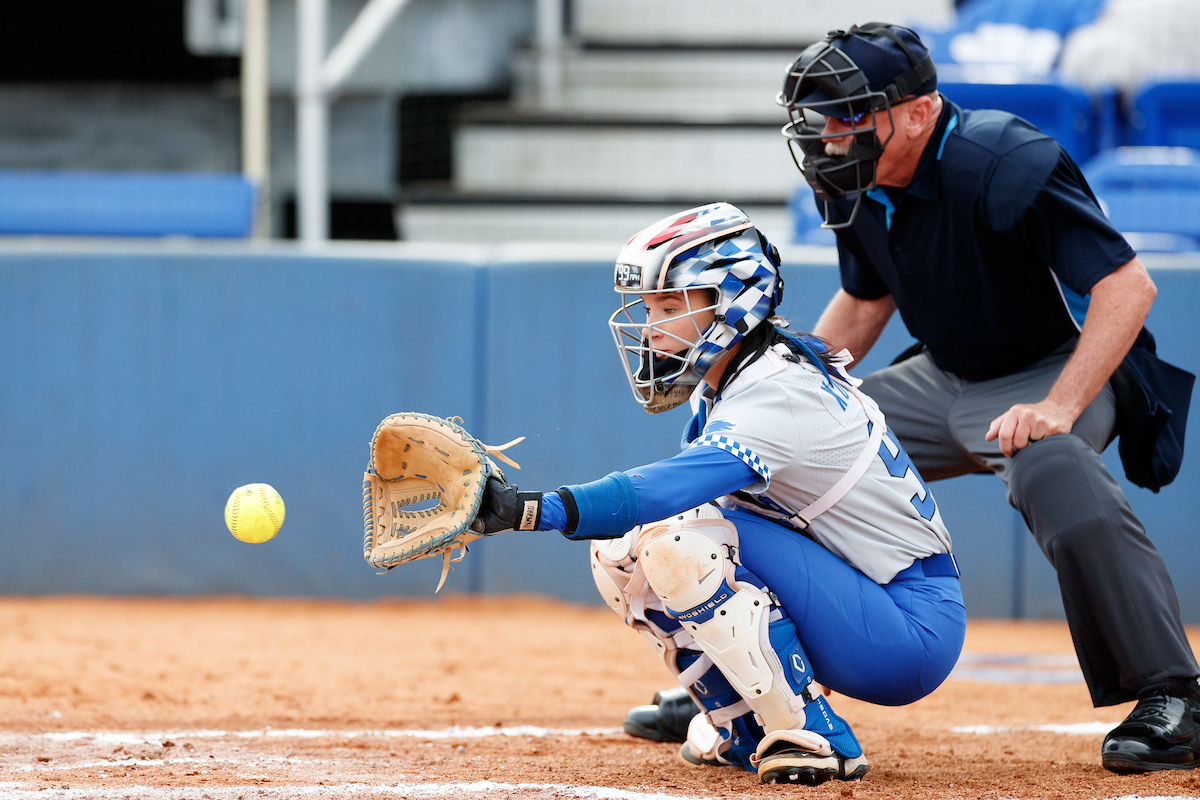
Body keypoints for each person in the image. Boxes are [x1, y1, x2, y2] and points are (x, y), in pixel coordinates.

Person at [769, 22, 1200, 774]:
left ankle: (1176, 694)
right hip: (940, 375)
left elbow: (1128, 287)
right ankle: (754, 679)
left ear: (919, 112)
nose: (832, 135)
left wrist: (1059, 407)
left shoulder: (1005, 160)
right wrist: (780, 389)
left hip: (1053, 365)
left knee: (1052, 467)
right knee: (780, 457)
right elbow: (864, 303)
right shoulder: (855, 175)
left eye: (852, 114)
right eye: (825, 117)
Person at [472, 201, 967, 786]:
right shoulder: (736, 381)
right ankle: (745, 725)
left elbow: (666, 492)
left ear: (732, 303)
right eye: (649, 308)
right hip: (863, 601)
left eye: (670, 307)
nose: (650, 327)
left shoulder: (779, 391)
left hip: (907, 628)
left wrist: (532, 509)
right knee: (622, 552)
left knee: (675, 538)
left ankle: (816, 735)